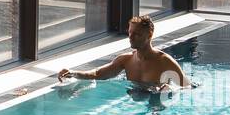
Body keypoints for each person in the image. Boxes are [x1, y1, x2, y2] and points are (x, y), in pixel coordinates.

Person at [57, 15, 191, 90]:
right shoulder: (125, 60)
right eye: (130, 33)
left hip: (157, 109)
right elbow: (98, 74)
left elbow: (188, 87)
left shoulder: (164, 61)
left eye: (136, 34)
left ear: (149, 35)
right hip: (133, 101)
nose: (130, 37)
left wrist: (171, 91)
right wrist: (73, 73)